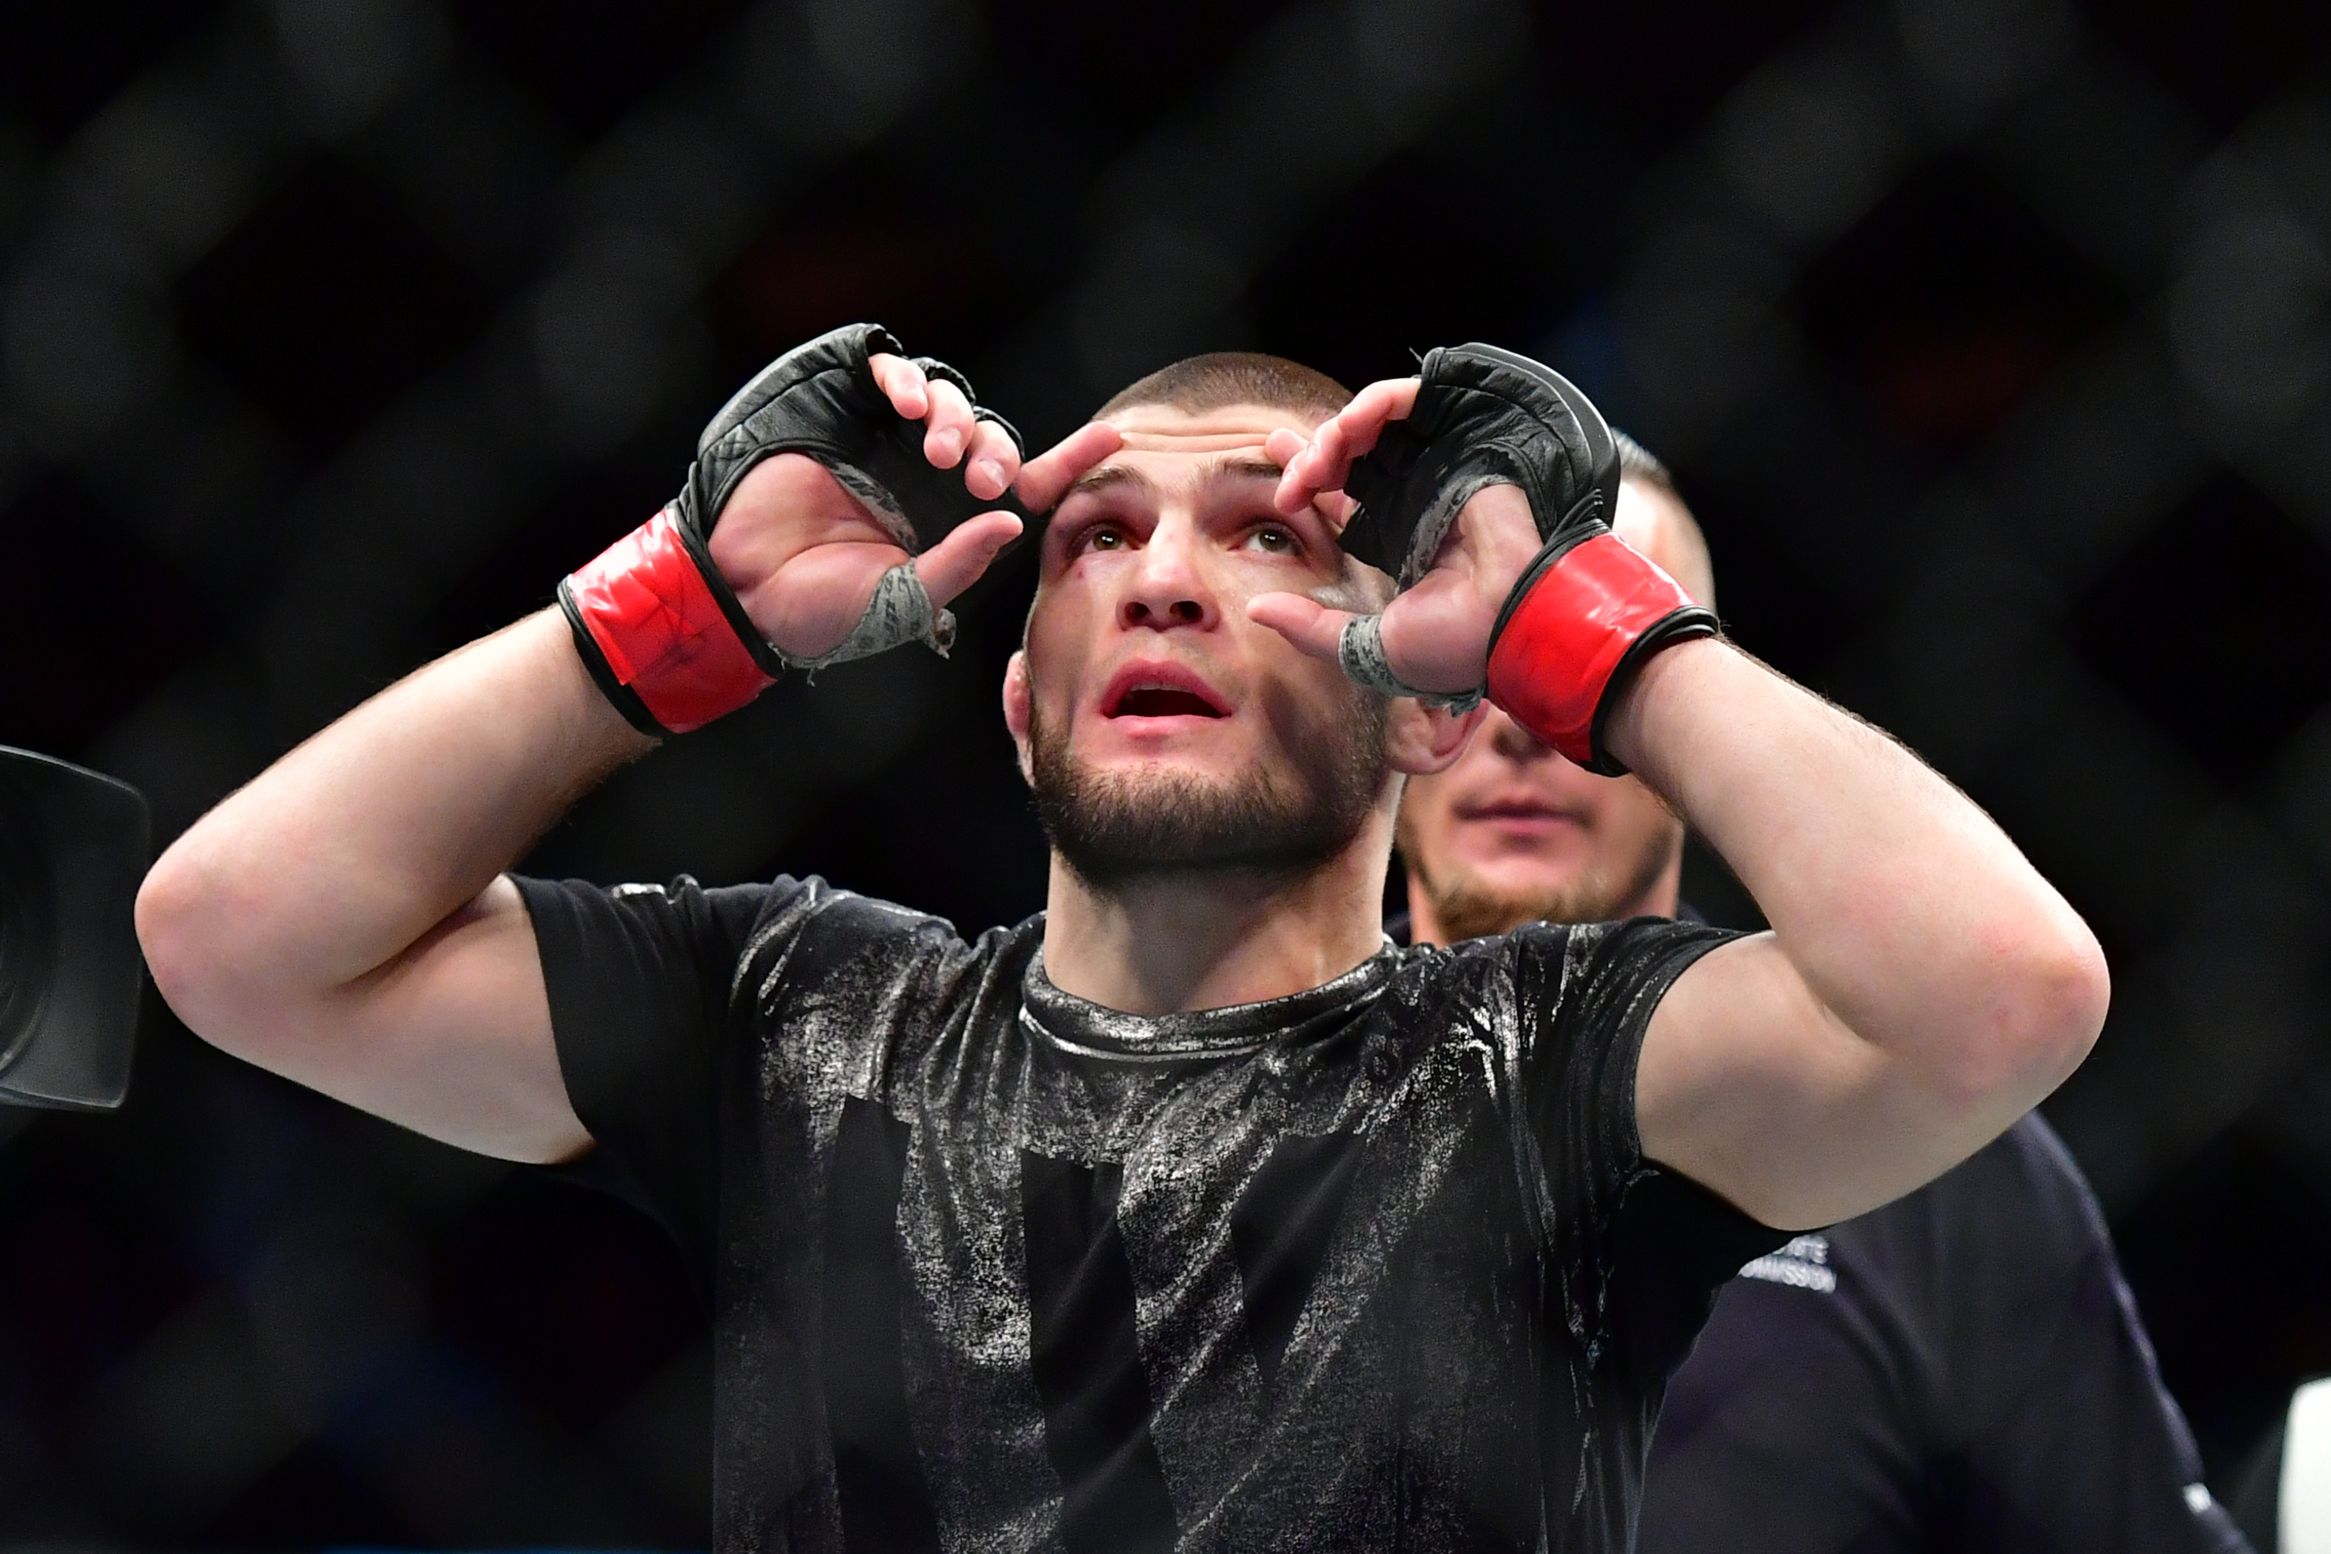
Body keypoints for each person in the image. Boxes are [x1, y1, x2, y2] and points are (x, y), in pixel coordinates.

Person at [135, 325, 2111, 1551]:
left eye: (1264, 535)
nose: (1162, 574)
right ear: (1023, 702)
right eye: (1095, 537)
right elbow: (237, 934)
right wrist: (671, 611)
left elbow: (2000, 990)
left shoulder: (1545, 1061)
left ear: (1423, 705)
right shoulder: (802, 1013)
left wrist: (1587, 630)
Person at [1395, 436, 2252, 1552]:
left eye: (1577, 662)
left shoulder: (1929, 1141)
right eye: (1470, 663)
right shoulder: (1230, 1091)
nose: (1516, 726)